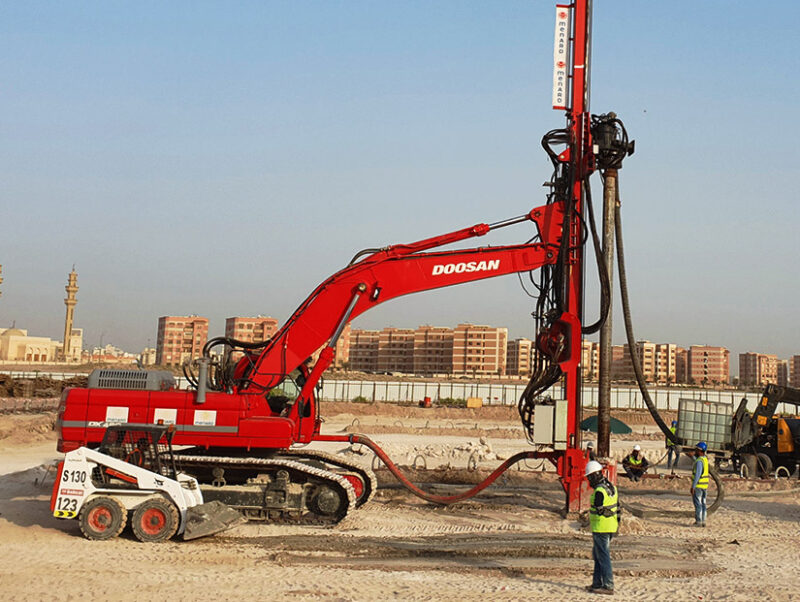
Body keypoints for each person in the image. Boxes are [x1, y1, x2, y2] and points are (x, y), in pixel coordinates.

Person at [585, 460, 619, 595]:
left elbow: (599, 508)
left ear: (594, 476)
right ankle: (597, 583)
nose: (589, 481)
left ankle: (608, 585)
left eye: (589, 477)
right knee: (598, 555)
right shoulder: (611, 487)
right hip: (610, 526)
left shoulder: (599, 491)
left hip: (601, 527)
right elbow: (618, 507)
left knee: (603, 556)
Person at [691, 441, 709, 527]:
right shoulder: (704, 459)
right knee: (703, 504)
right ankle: (703, 521)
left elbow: (697, 474)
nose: (695, 451)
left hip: (698, 486)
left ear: (700, 450)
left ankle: (698, 521)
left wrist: (693, 487)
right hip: (704, 486)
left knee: (698, 504)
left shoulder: (699, 461)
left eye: (696, 450)